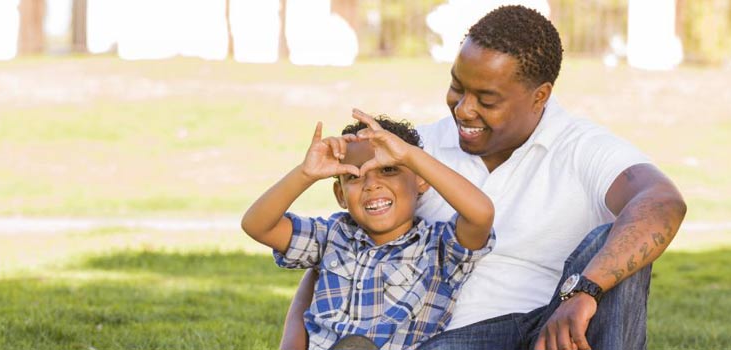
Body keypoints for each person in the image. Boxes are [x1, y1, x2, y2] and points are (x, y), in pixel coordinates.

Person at [280, 5, 687, 350]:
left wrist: (584, 290)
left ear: (539, 96)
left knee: (616, 239)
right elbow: (341, 247)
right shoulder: (410, 151)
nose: (464, 109)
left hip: (551, 330)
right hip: (442, 340)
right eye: (457, 87)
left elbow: (661, 203)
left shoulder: (582, 147)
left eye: (486, 99)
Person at [242, 111, 496, 349]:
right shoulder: (331, 236)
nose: (372, 185)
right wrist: (305, 174)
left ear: (421, 180)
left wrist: (410, 156)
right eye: (354, 175)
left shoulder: (439, 248)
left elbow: (481, 214)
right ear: (341, 195)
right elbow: (257, 226)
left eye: (389, 170)